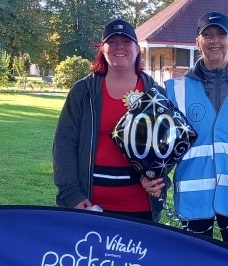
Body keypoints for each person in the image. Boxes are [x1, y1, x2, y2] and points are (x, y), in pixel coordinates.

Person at [142, 11, 228, 250]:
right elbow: (164, 149)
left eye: (221, 34)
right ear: (197, 42)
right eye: (207, 35)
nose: (214, 41)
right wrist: (152, 177)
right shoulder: (174, 90)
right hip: (192, 198)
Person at [53, 18, 164, 220]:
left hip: (139, 206)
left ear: (137, 49)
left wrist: (157, 180)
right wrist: (71, 194)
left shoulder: (156, 94)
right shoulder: (83, 92)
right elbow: (64, 143)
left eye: (126, 41)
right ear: (102, 49)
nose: (119, 46)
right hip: (89, 205)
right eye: (112, 41)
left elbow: (167, 147)